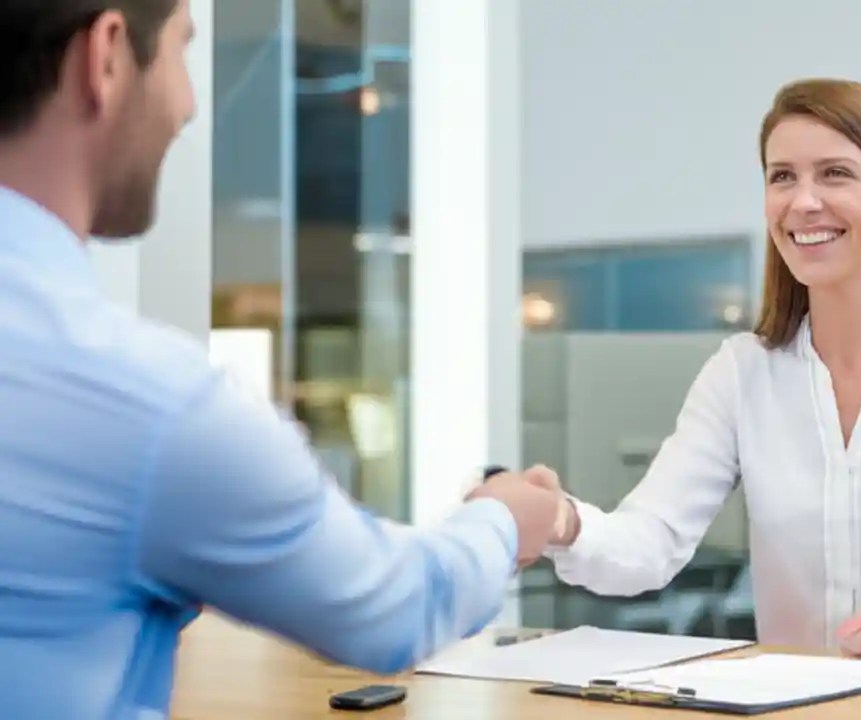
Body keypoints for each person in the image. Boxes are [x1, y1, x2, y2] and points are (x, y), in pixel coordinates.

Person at [0, 2, 560, 718]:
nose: (189, 105)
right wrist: (503, 517)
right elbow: (393, 606)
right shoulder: (146, 406)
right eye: (180, 52)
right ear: (106, 56)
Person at [499, 79, 861, 662]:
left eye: (834, 173)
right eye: (782, 176)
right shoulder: (743, 371)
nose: (802, 202)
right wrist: (560, 520)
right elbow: (648, 544)